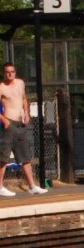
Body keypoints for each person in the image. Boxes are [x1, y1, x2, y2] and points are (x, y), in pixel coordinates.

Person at [0, 61, 48, 196]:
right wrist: (4, 121)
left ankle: (32, 186)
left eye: (12, 71)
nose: (10, 74)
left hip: (20, 124)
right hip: (9, 123)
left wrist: (26, 112)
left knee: (25, 156)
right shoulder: (1, 87)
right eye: (7, 72)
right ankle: (0, 187)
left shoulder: (20, 83)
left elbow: (23, 98)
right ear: (4, 73)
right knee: (3, 157)